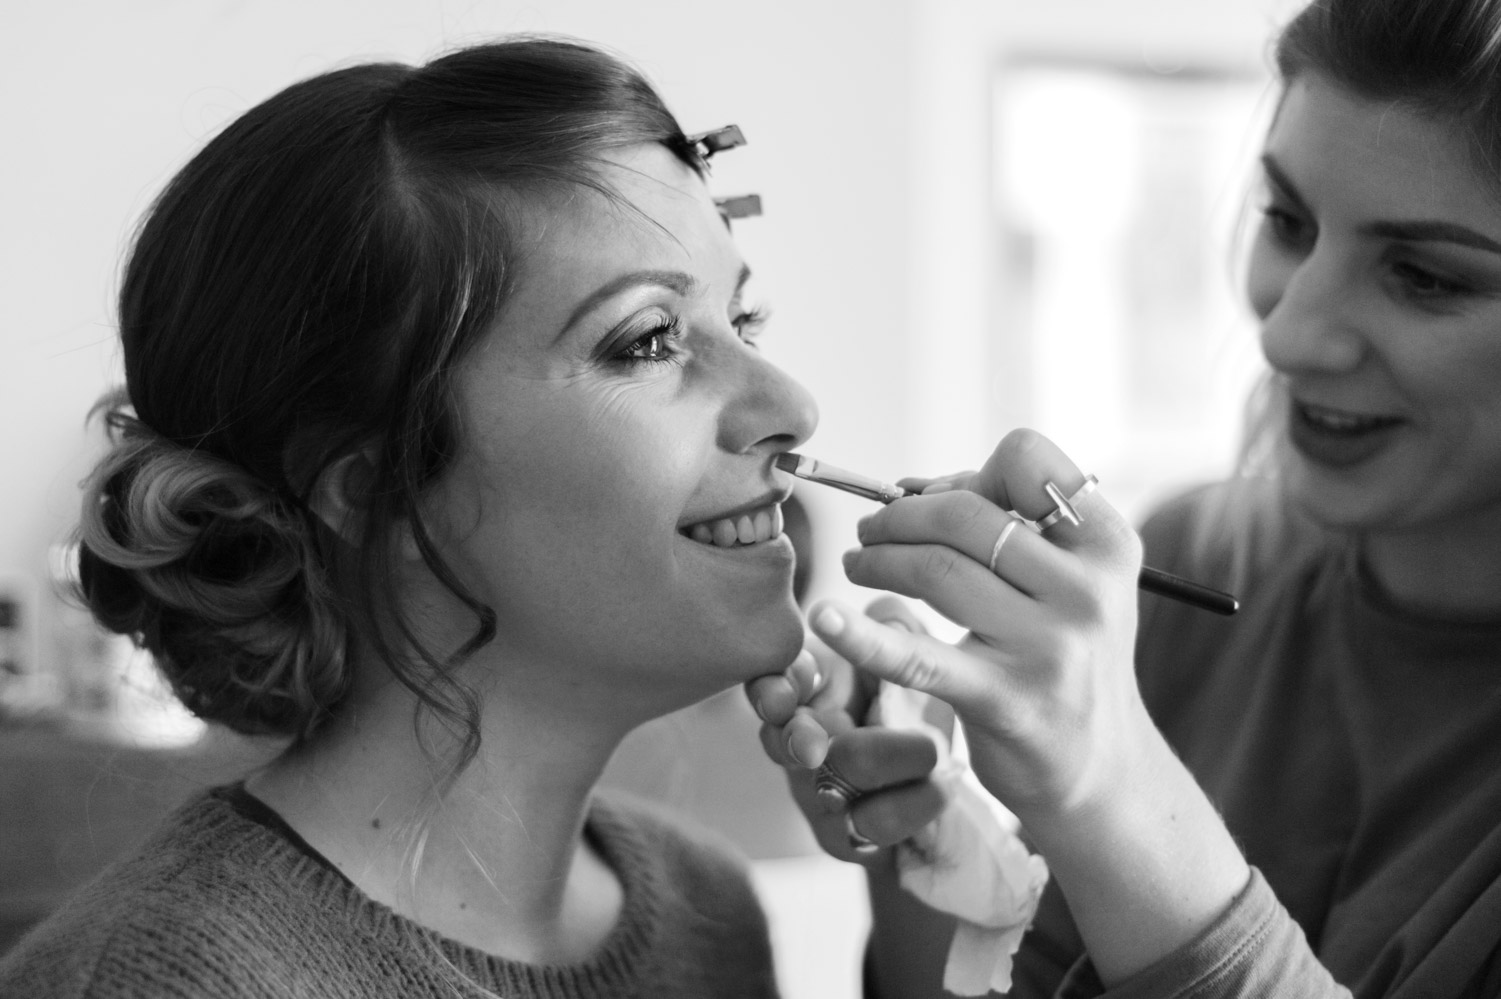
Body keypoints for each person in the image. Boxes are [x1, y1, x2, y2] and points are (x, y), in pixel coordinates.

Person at [0, 37, 821, 998]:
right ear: (373, 481)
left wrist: (950, 920)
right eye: (646, 340)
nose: (791, 404)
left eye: (744, 320)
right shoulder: (152, 981)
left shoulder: (705, 911)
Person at [748, 0, 1501, 995]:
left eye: (1424, 276)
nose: (1285, 337)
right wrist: (942, 854)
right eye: (1287, 221)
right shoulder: (1206, 560)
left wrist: (1110, 791)